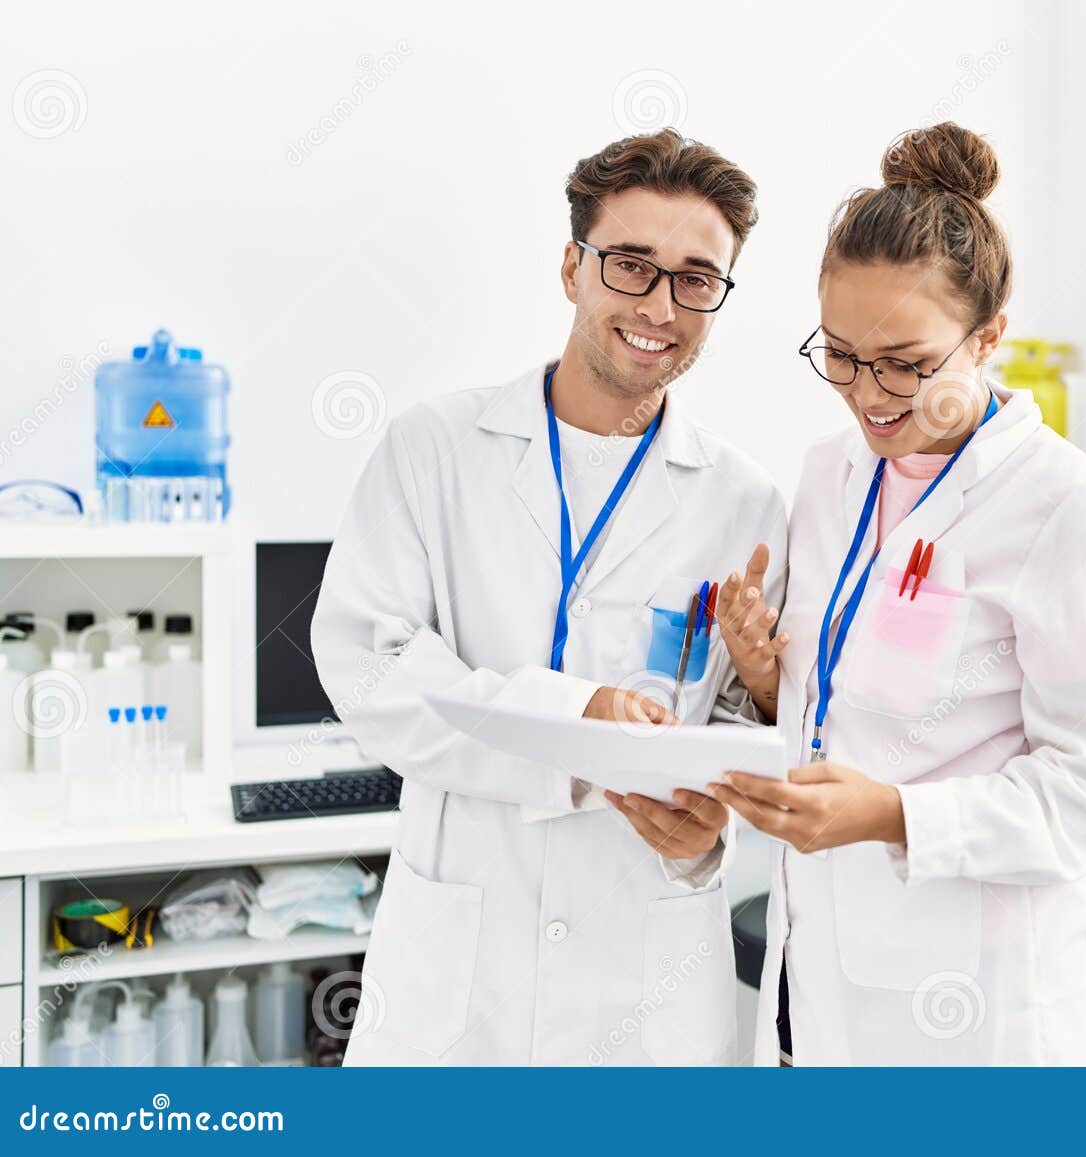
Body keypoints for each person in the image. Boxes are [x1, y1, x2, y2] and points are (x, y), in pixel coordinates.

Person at [312, 128, 787, 1065]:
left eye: (697, 278)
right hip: (461, 965)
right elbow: (368, 664)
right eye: (631, 265)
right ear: (572, 267)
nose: (662, 304)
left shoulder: (748, 501)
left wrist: (706, 829)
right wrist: (575, 726)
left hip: (645, 960)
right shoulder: (436, 450)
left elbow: (746, 724)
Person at [709, 123, 1086, 1065]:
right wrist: (765, 680)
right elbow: (849, 709)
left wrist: (894, 815)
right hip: (819, 983)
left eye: (906, 362)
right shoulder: (832, 474)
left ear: (989, 336)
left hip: (979, 1014)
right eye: (839, 353)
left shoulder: (1066, 509)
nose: (868, 393)